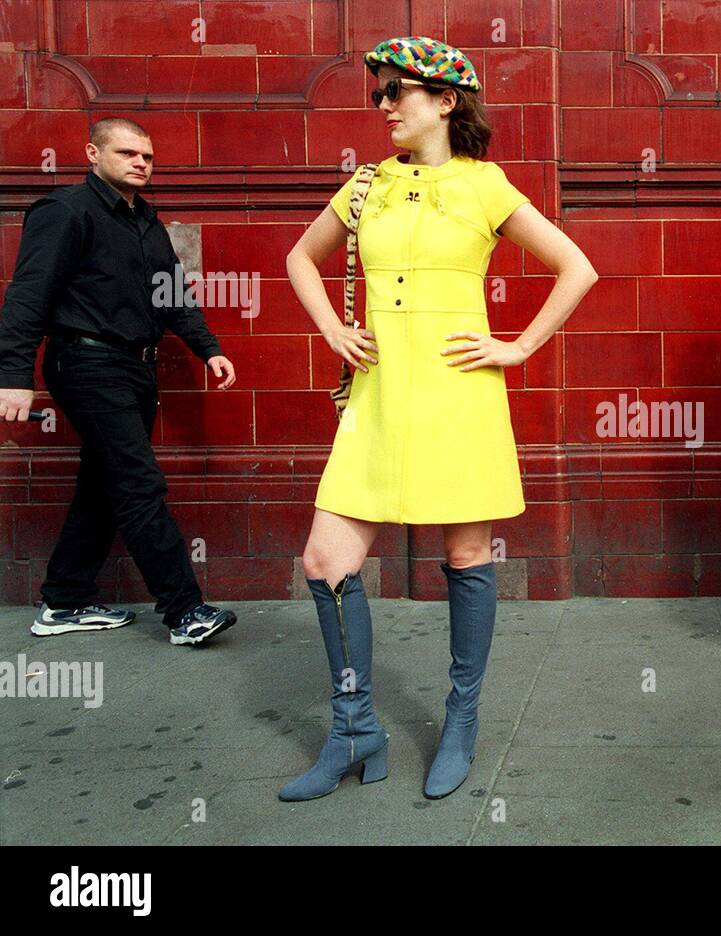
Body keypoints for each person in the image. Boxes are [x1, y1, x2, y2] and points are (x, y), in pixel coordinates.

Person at [279, 37, 597, 802]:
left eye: (397, 92)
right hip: (377, 399)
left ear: (446, 102)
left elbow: (577, 267)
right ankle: (355, 727)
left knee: (464, 555)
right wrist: (330, 328)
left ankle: (460, 719)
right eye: (380, 93)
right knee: (326, 561)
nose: (384, 105)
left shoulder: (487, 186)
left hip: (459, 392)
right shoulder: (363, 187)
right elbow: (299, 258)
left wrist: (517, 346)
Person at [0, 118, 239, 647]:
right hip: (85, 365)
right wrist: (14, 376)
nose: (140, 163)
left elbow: (172, 293)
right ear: (93, 153)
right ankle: (184, 611)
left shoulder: (146, 220)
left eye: (148, 157)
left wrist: (208, 349)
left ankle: (62, 601)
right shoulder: (64, 212)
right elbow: (27, 294)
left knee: (105, 484)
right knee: (136, 481)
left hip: (135, 369)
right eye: (128, 153)